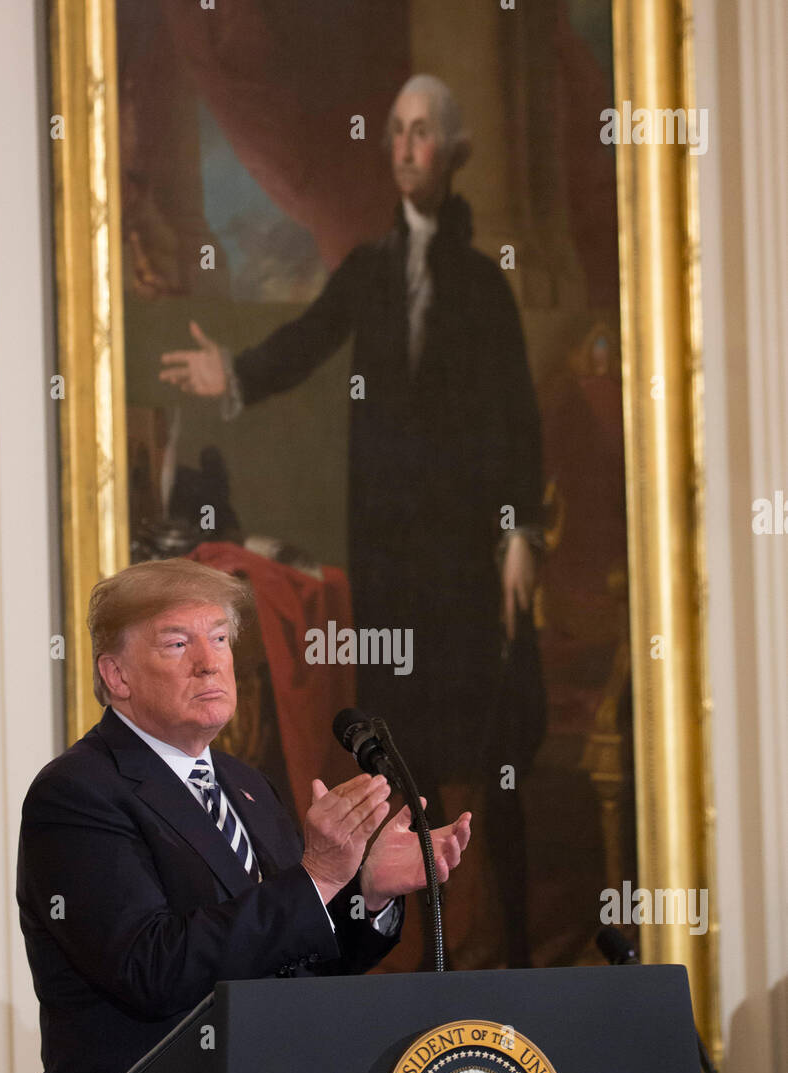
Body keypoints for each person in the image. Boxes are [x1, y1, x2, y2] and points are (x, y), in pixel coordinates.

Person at [0, 558, 471, 1073]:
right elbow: (151, 967)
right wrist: (316, 877)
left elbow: (291, 962)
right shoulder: (78, 794)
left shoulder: (245, 785)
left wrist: (363, 890)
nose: (213, 661)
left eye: (220, 638)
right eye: (178, 643)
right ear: (115, 675)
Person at [159, 74, 544, 965]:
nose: (407, 147)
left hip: (461, 562)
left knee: (474, 741)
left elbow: (518, 420)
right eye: (399, 132)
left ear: (453, 153)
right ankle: (401, 943)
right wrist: (237, 376)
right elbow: (307, 339)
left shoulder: (485, 289)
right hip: (390, 555)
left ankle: (497, 946)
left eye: (423, 133)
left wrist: (518, 532)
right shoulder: (368, 271)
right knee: (400, 740)